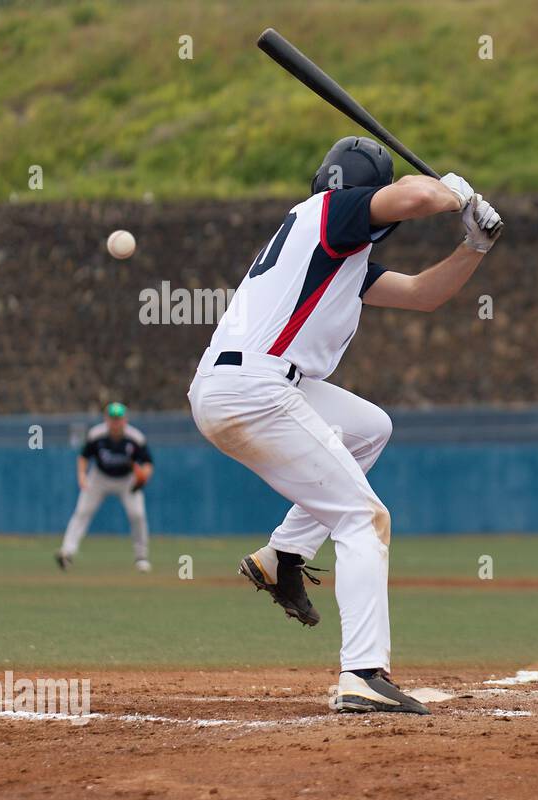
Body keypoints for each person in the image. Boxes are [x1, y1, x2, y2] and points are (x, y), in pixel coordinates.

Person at [187, 135, 503, 716]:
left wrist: (473, 246)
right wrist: (449, 191)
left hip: (246, 385)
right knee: (364, 518)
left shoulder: (336, 251)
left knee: (368, 428)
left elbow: (422, 294)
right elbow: (411, 199)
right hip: (254, 388)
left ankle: (282, 556)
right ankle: (362, 673)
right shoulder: (331, 215)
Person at [57, 401, 153, 572]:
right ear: (106, 419)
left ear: (125, 420)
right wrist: (82, 475)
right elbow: (84, 456)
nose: (116, 423)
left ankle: (141, 557)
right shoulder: (96, 435)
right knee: (82, 512)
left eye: (119, 419)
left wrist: (144, 476)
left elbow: (147, 463)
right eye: (112, 418)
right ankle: (67, 552)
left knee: (137, 515)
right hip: (99, 477)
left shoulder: (135, 438)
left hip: (127, 479)